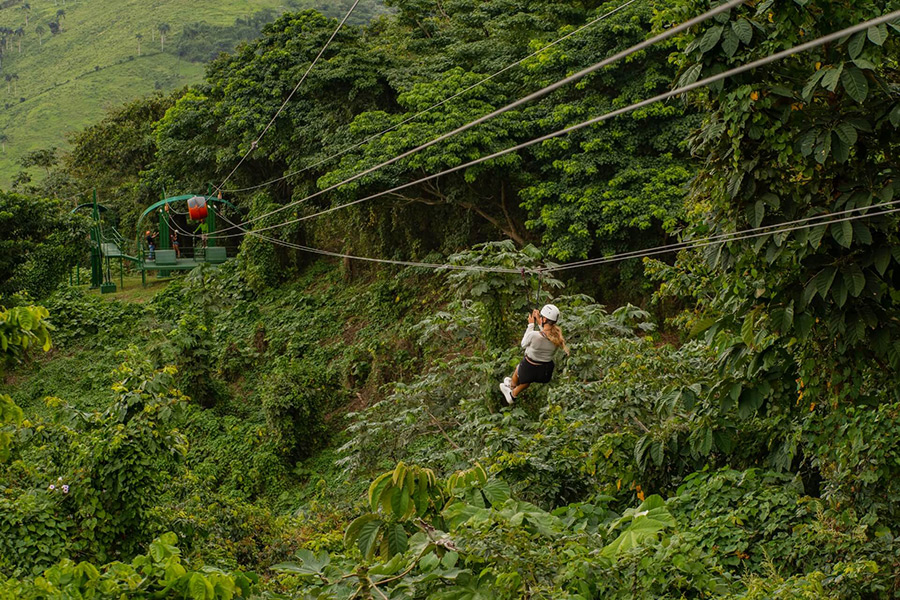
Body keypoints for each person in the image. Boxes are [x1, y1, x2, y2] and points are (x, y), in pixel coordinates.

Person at [499, 304, 569, 405]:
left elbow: (523, 344)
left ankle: (512, 391)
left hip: (528, 369)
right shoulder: (557, 339)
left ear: (544, 319)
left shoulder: (534, 335)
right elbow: (546, 336)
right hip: (544, 372)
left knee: (520, 368)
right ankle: (511, 388)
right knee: (528, 376)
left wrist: (531, 325)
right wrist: (540, 322)